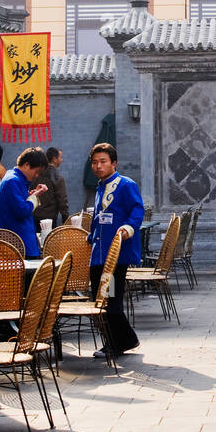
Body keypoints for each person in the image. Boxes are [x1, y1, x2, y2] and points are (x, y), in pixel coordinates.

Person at [85, 142, 143, 358]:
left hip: (115, 255)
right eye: (95, 162)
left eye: (103, 162)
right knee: (101, 298)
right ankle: (125, 339)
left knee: (109, 299)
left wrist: (129, 227)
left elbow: (137, 209)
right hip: (99, 254)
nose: (98, 166)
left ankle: (116, 343)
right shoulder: (100, 186)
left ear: (114, 163)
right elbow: (98, 217)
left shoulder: (125, 185)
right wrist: (91, 236)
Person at [0, 148, 50, 258]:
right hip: (19, 245)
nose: (36, 176)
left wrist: (31, 196)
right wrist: (34, 197)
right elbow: (22, 210)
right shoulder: (13, 181)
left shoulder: (14, 178)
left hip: (19, 243)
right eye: (37, 171)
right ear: (26, 165)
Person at [43, 146, 70, 227]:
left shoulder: (37, 174)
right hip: (49, 220)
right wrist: (66, 219)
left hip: (33, 217)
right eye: (60, 157)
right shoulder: (57, 177)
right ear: (54, 159)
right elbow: (62, 201)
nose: (61, 160)